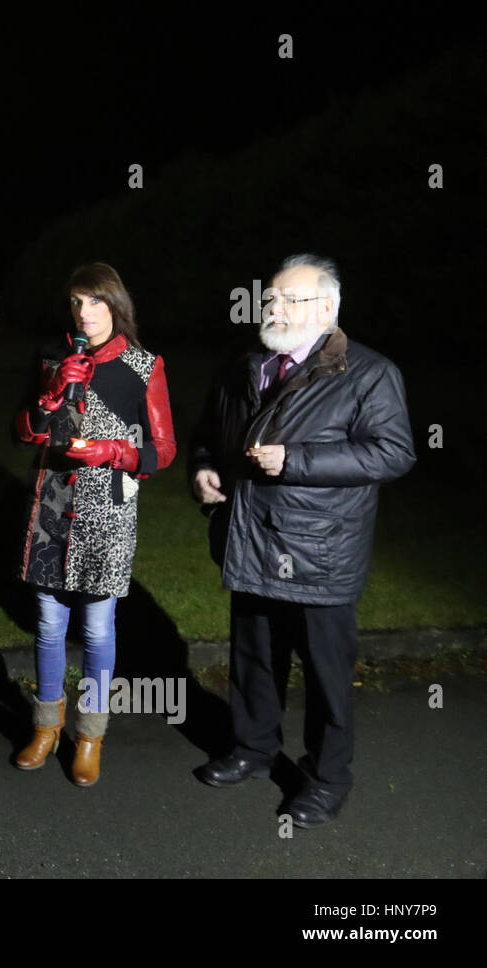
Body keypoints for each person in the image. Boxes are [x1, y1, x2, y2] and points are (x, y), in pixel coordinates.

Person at [189, 253, 415, 827]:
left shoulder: (368, 372)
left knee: (325, 674)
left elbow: (394, 453)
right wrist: (205, 470)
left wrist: (297, 460)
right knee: (253, 658)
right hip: (251, 539)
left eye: (288, 298)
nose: (273, 306)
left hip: (320, 552)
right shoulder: (248, 365)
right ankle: (253, 747)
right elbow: (209, 435)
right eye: (270, 297)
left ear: (327, 309)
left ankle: (327, 778)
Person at [13, 263, 175, 785]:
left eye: (96, 302)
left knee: (98, 628)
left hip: (108, 507)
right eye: (78, 303)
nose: (86, 313)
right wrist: (54, 390)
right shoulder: (53, 360)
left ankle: (90, 736)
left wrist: (117, 451)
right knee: (47, 623)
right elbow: (24, 432)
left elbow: (164, 449)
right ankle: (45, 727)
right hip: (53, 507)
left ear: (116, 305)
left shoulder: (144, 365)